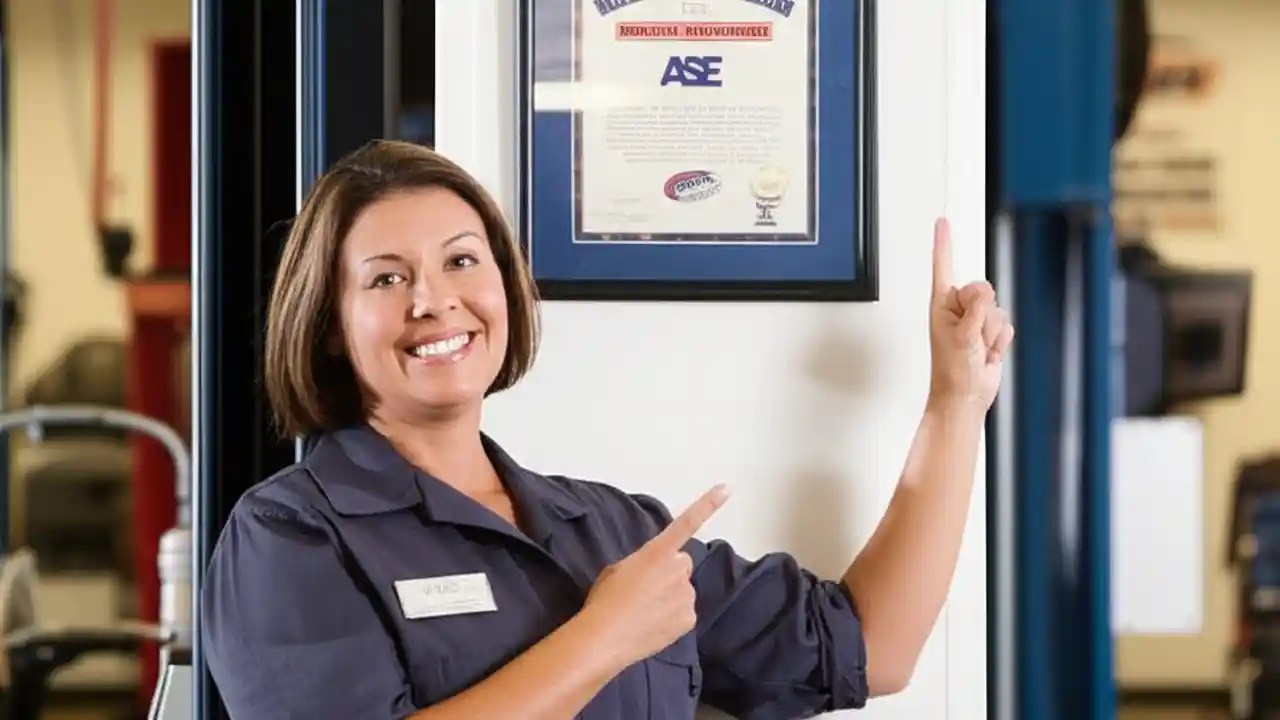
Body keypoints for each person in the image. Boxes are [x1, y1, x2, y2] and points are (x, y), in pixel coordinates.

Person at [201, 140, 1013, 720]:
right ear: (331, 323)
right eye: (387, 277)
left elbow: (871, 647)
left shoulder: (612, 530)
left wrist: (955, 404)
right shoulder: (288, 538)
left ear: (505, 287)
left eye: (461, 260)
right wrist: (602, 639)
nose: (434, 300)